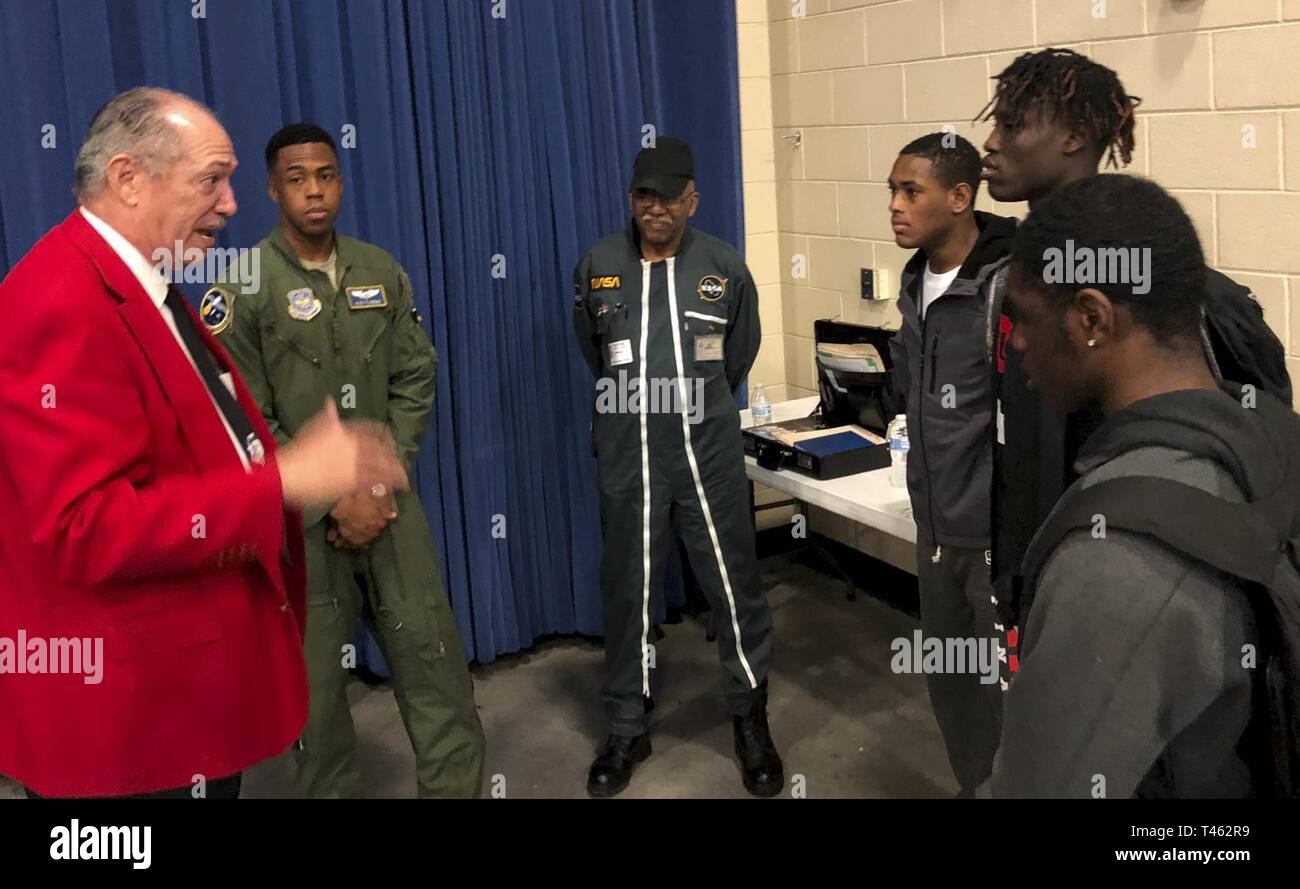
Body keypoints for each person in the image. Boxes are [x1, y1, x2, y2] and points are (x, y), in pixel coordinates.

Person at [0, 88, 408, 798]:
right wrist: (282, 479)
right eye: (210, 180)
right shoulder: (59, 303)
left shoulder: (142, 282)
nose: (231, 204)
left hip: (185, 697)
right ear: (128, 178)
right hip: (128, 728)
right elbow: (85, 527)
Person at [975, 47, 1291, 656]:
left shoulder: (1181, 299)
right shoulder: (1002, 286)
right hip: (1036, 590)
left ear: (1076, 136)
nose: (990, 143)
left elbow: (1250, 463)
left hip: (1146, 619)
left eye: (1012, 125)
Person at [213, 123, 485, 798]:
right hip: (301, 526)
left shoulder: (380, 270)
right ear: (273, 188)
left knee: (436, 669)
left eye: (326, 175)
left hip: (390, 507)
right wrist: (331, 493)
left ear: (341, 180)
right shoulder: (242, 284)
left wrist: (380, 482)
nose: (315, 190)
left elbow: (415, 378)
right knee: (316, 701)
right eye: (298, 178)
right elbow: (243, 415)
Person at [991, 174, 1273, 798]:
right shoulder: (1269, 434)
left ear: (1091, 318)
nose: (1019, 345)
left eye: (1026, 319)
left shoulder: (1119, 559)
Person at [572, 137, 780, 797]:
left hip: (707, 449)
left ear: (693, 198)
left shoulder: (722, 265)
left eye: (668, 197)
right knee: (627, 586)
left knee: (732, 579)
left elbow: (738, 353)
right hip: (629, 448)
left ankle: (749, 714)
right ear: (631, 198)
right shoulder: (599, 264)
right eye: (643, 196)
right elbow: (593, 348)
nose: (654, 209)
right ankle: (628, 724)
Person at [885, 133, 1016, 796]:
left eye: (912, 191)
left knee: (1012, 706)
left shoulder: (1008, 284)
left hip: (995, 540)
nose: (895, 205)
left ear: (961, 197)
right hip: (934, 534)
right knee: (955, 692)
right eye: (893, 190)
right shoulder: (914, 284)